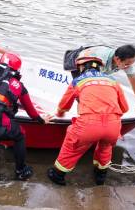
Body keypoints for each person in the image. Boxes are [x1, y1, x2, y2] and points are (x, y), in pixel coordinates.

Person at [0, 52, 53, 180]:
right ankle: (21, 170)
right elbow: (31, 112)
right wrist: (42, 120)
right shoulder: (17, 84)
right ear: (17, 69)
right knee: (20, 135)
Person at [47, 57, 129, 186]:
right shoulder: (113, 81)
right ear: (99, 67)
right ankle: (100, 177)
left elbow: (63, 106)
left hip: (88, 126)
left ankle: (58, 175)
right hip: (113, 125)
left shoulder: (77, 81)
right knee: (105, 147)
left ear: (81, 67)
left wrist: (59, 114)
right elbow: (125, 108)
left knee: (72, 147)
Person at [66, 45, 135, 118]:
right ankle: (83, 118)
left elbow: (134, 81)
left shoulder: (126, 62)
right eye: (127, 64)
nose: (128, 67)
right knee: (85, 93)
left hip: (100, 67)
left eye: (131, 64)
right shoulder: (98, 61)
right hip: (81, 63)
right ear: (117, 59)